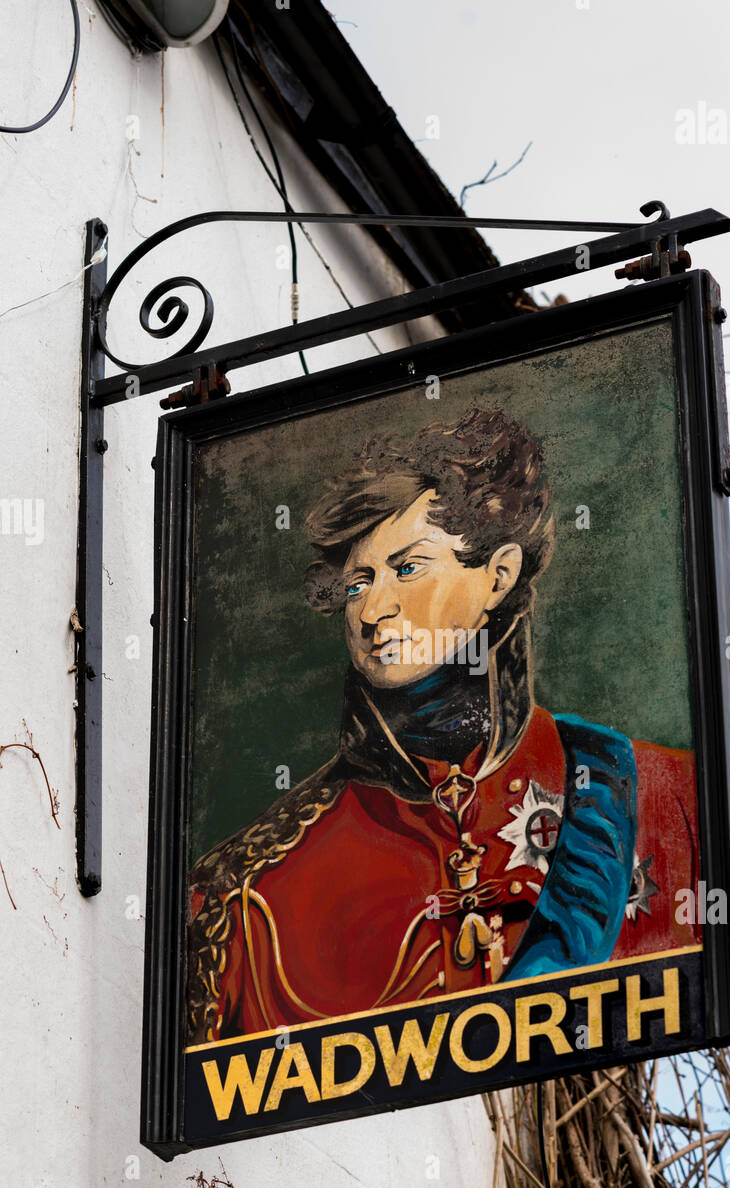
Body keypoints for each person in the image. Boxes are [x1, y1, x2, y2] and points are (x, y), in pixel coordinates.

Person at [187, 405, 699, 1044]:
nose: (374, 608)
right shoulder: (243, 889)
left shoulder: (672, 795)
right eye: (357, 584)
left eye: (407, 568)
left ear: (499, 574)